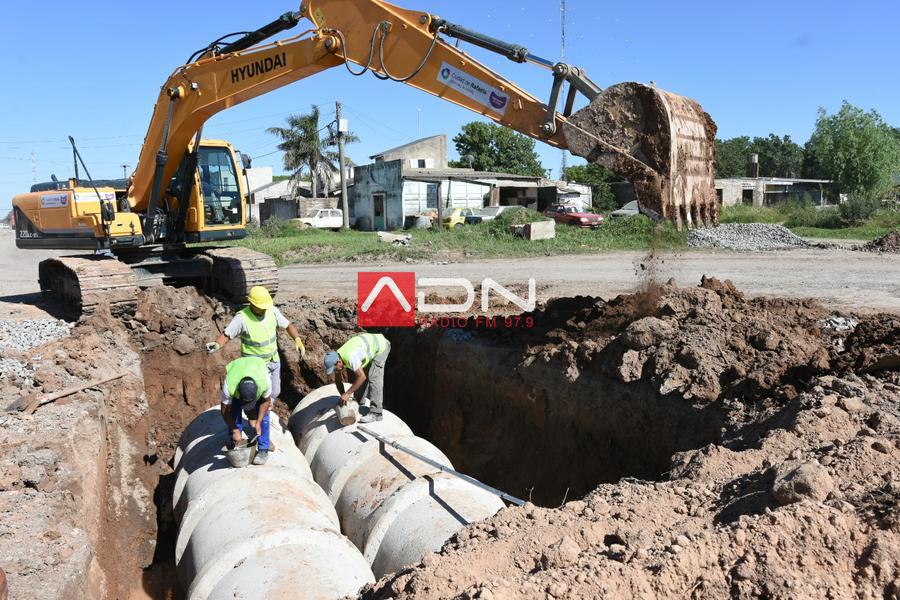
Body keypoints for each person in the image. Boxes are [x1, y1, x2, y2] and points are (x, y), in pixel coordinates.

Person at [206, 286, 305, 408]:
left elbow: (288, 325)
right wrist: (217, 344)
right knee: (256, 394)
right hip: (255, 366)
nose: (264, 310)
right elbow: (226, 335)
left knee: (275, 392)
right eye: (260, 307)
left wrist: (297, 339)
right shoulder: (242, 318)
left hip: (274, 361)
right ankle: (258, 413)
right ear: (252, 304)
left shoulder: (272, 311)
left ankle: (266, 407)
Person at [324, 332, 390, 423]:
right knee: (359, 375)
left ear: (338, 362)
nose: (336, 371)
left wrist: (347, 394)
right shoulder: (338, 358)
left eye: (335, 369)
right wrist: (343, 397)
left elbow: (362, 377)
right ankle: (358, 403)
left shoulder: (349, 356)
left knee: (374, 377)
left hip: (381, 346)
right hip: (368, 350)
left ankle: (376, 413)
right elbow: (338, 381)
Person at [220, 356, 272, 465]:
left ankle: (263, 449)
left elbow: (266, 402)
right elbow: (225, 410)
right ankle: (236, 441)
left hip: (256, 366)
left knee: (264, 418)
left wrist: (258, 422)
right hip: (237, 371)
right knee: (233, 411)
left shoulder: (264, 381)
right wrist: (234, 429)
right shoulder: (230, 385)